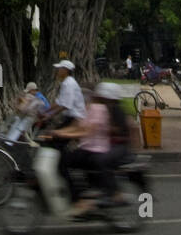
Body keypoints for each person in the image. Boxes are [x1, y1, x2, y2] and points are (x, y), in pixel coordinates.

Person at [45, 82, 131, 215]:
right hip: (88, 146)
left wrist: (62, 134)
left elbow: (87, 131)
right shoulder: (90, 108)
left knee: (67, 161)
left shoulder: (101, 110)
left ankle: (81, 198)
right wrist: (58, 132)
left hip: (96, 148)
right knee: (66, 159)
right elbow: (77, 125)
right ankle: (81, 191)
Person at [42, 60, 86, 128]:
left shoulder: (69, 83)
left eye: (59, 69)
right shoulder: (66, 82)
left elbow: (66, 105)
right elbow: (59, 102)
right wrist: (45, 111)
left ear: (66, 70)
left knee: (56, 136)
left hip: (75, 117)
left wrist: (50, 115)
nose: (57, 71)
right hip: (70, 116)